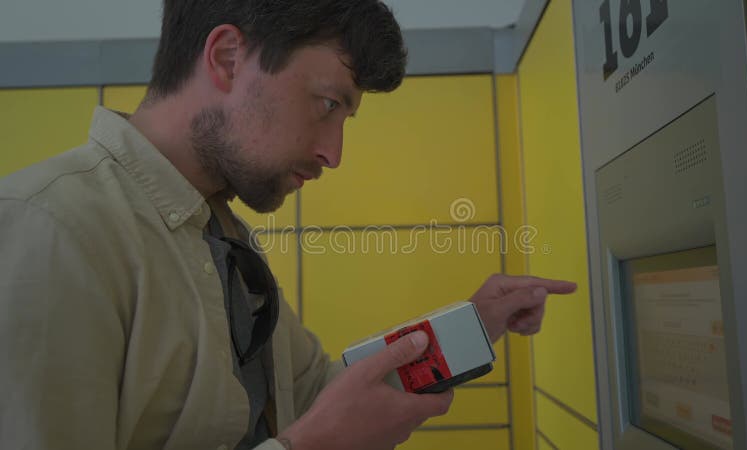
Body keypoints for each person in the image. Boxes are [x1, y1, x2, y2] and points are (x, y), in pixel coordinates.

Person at [0, 1, 577, 449]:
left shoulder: (225, 239)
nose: (335, 154)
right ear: (227, 58)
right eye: (328, 103)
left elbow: (315, 396)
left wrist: (470, 326)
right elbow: (318, 431)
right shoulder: (50, 227)